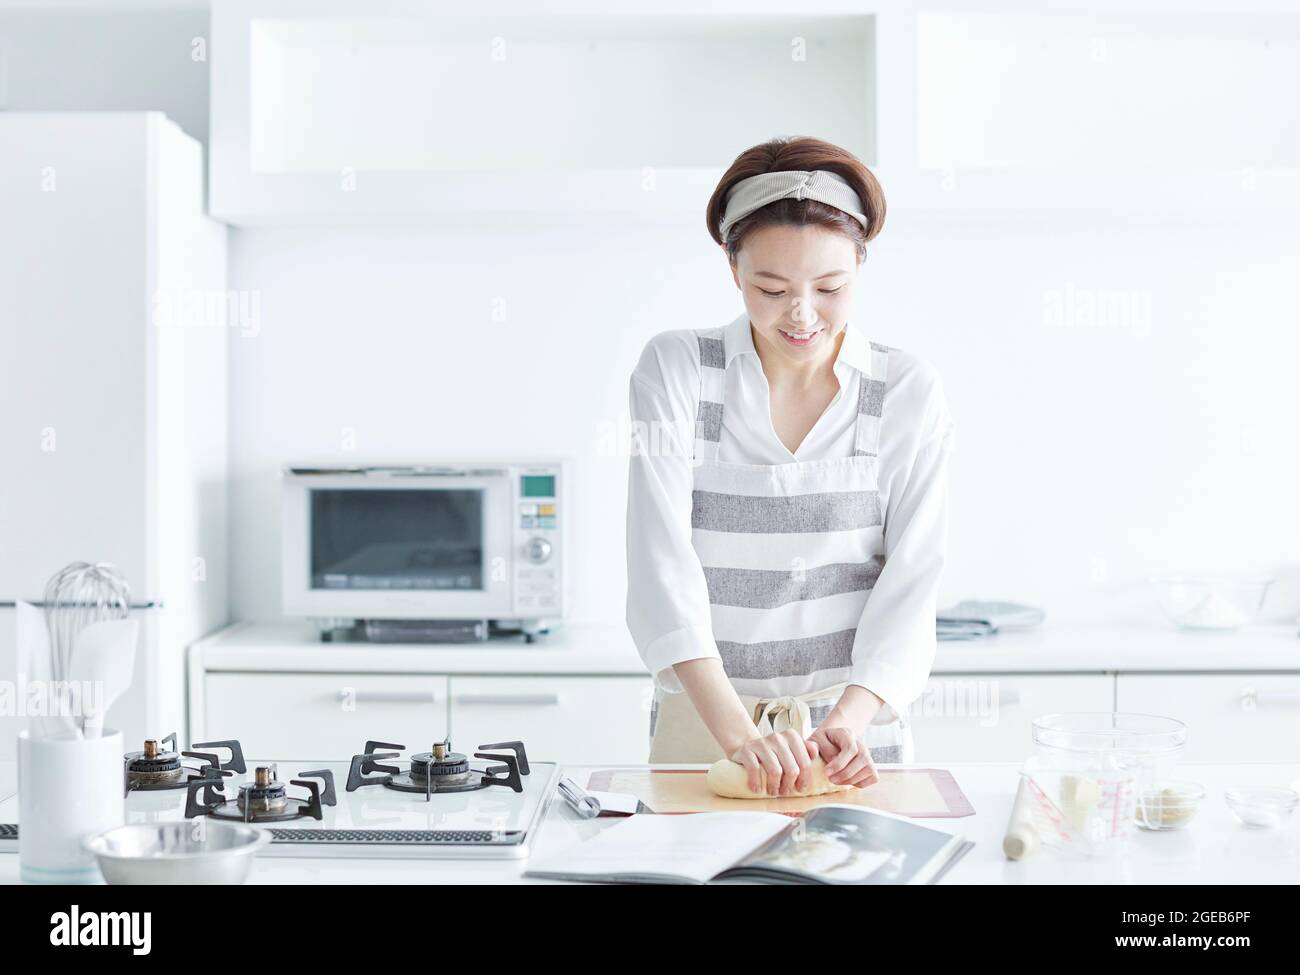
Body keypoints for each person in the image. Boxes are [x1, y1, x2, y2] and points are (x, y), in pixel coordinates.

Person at [625, 136, 955, 797]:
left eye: (830, 286)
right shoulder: (679, 371)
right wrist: (742, 736)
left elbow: (911, 580)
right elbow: (661, 565)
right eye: (771, 288)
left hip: (851, 740)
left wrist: (851, 718)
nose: (802, 314)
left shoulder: (905, 390)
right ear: (731, 265)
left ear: (861, 261)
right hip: (706, 731)